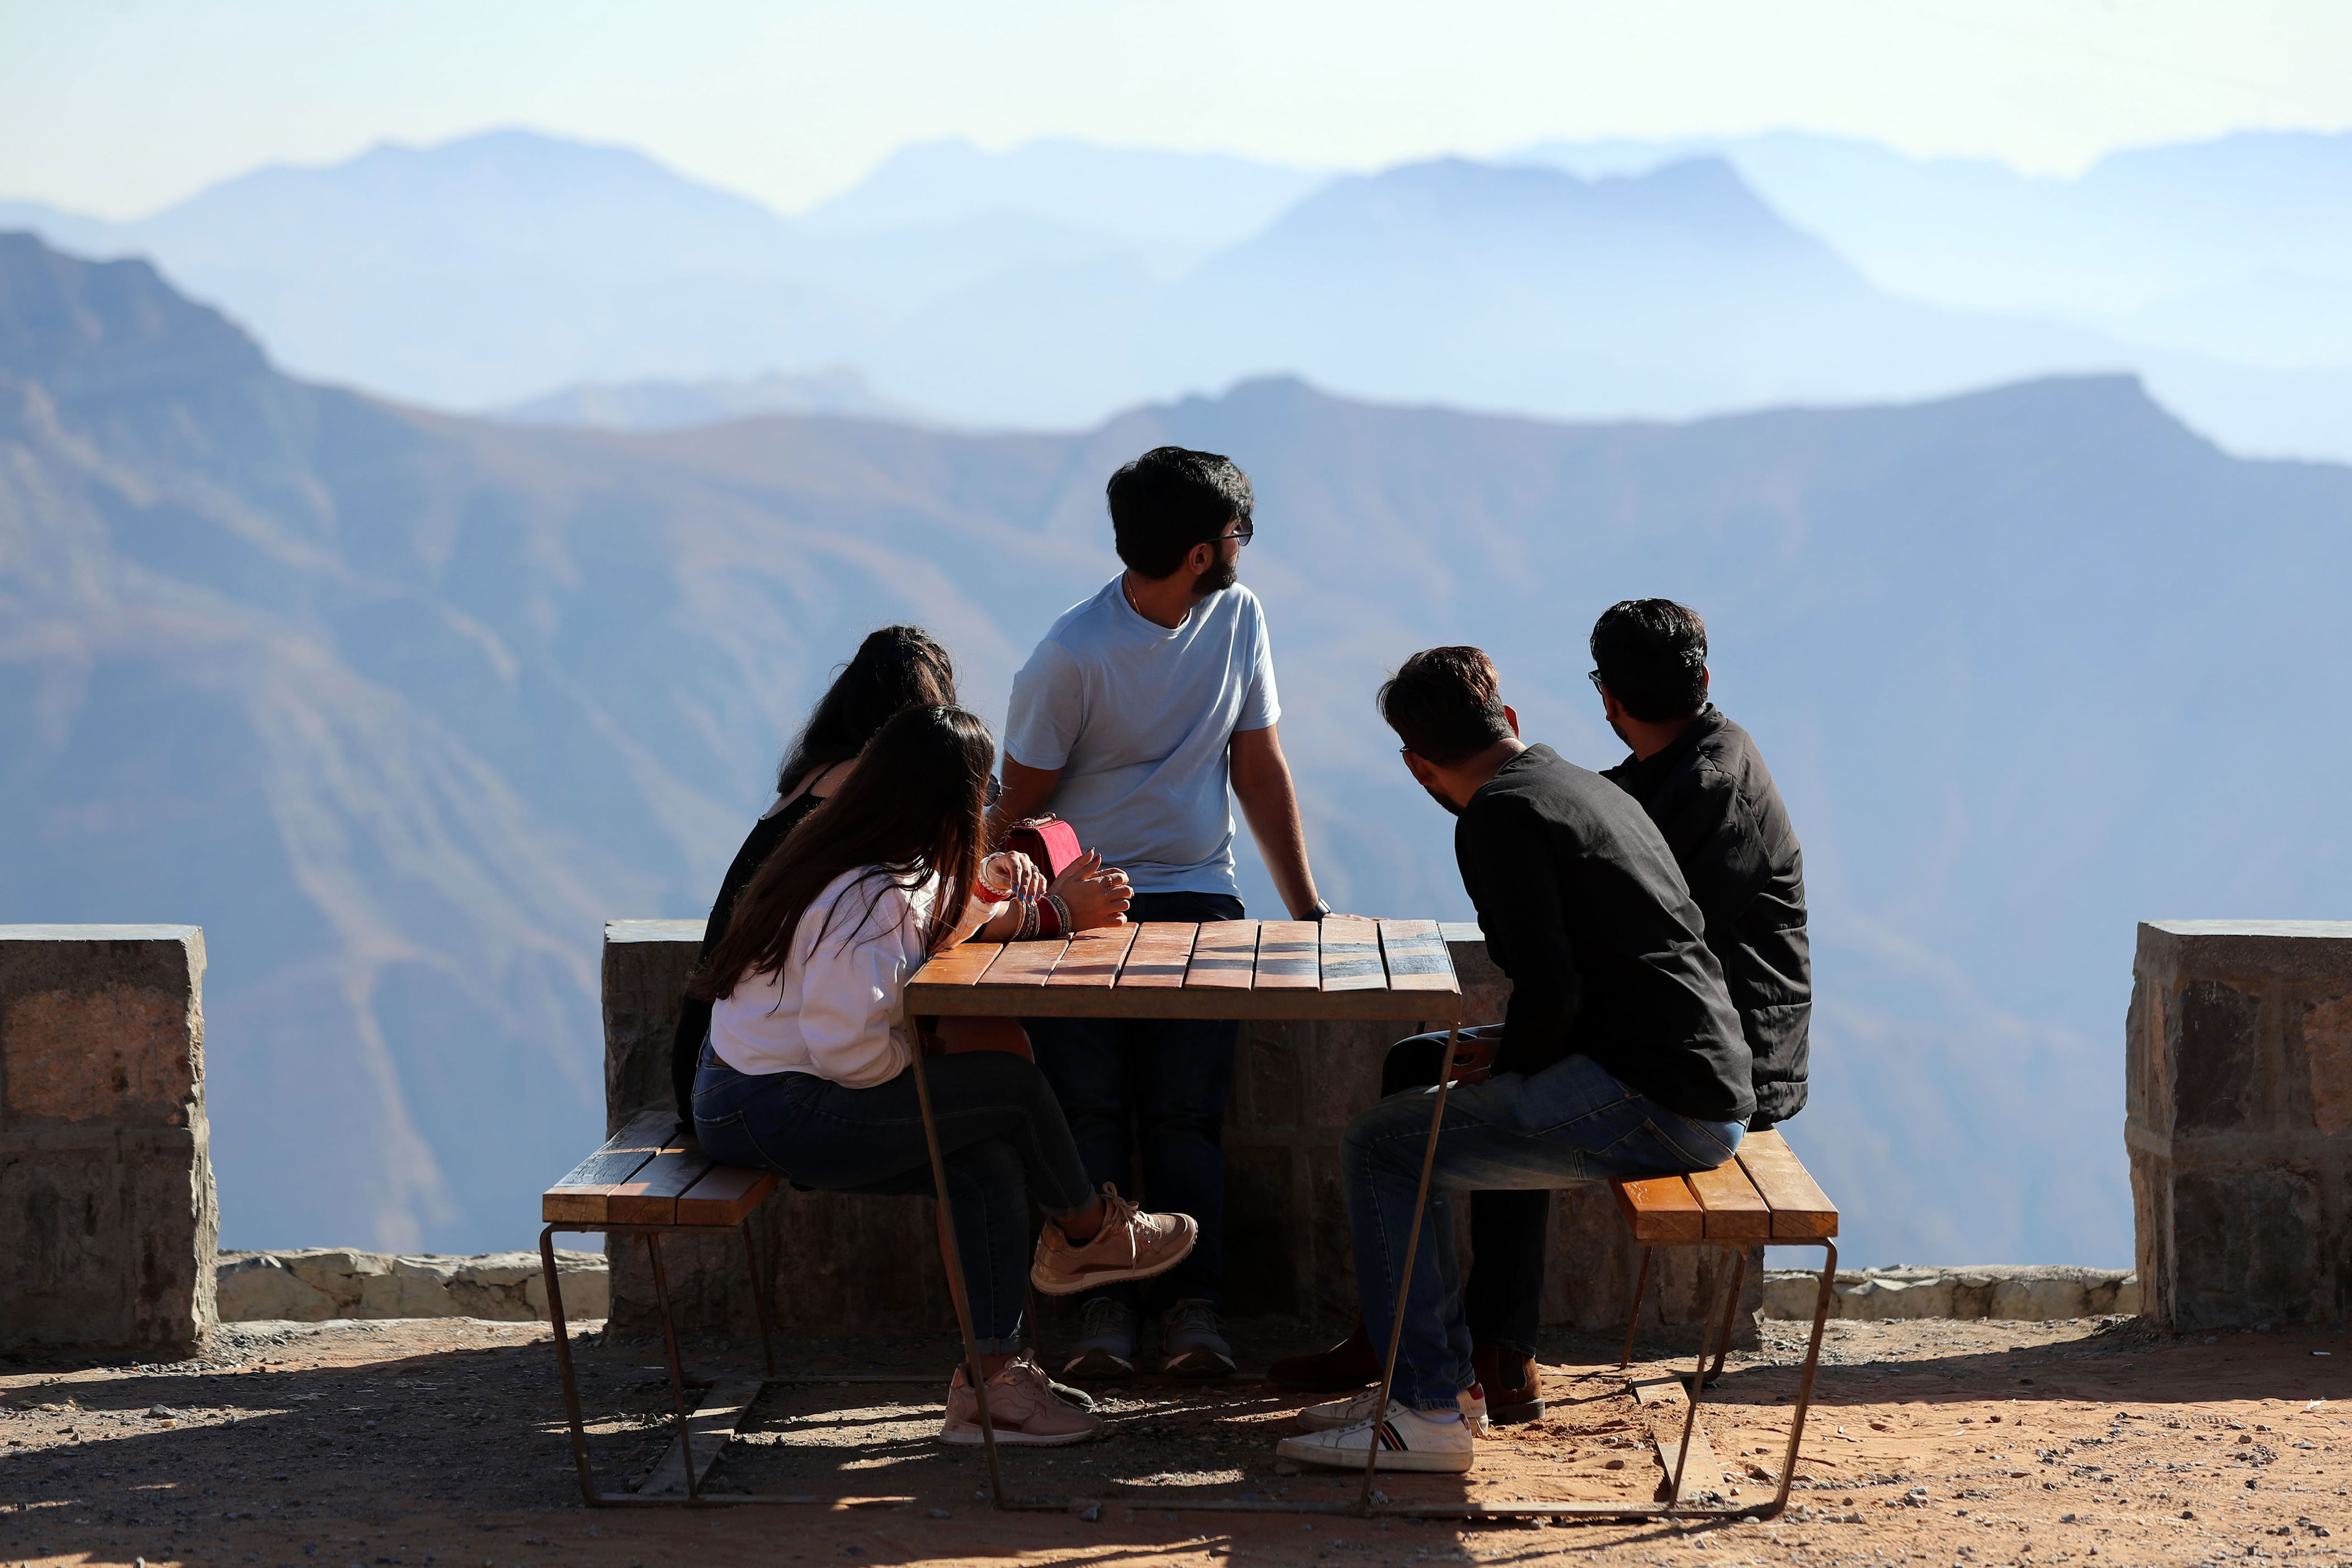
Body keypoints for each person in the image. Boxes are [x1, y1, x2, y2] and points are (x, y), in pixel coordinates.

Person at [1271, 604, 1810, 1424]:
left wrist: (1518, 1051)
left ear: (1420, 769)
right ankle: (1423, 1349)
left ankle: (1439, 1393)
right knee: (1434, 1068)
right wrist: (1512, 1047)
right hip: (1688, 1065)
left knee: (1384, 1146)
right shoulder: (1579, 781)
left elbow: (1555, 992)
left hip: (1678, 1088)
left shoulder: (1514, 813)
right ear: (1511, 720)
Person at [689, 703, 1197, 1446]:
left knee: (981, 1158)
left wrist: (1020, 899)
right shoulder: (868, 894)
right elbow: (847, 1051)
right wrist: (922, 1060)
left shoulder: (859, 857)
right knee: (1009, 1088)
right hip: (772, 1105)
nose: (989, 807)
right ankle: (1086, 1234)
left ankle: (994, 1387)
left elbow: (941, 912)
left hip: (750, 1090)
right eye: (981, 792)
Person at [991, 446, 1338, 1381]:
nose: (1243, 550)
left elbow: (1257, 766)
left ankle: (1193, 1311)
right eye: (1237, 534)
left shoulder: (1239, 616)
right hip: (1086, 906)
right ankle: (1102, 1310)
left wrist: (1307, 909)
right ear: (1197, 551)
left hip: (1200, 895)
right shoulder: (1070, 656)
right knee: (1090, 1109)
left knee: (1187, 1114)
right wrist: (1037, 919)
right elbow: (1016, 809)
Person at [670, 626, 1131, 1128]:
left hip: (718, 1060)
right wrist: (1058, 912)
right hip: (757, 1081)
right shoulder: (862, 807)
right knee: (996, 1052)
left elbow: (923, 904)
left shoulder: (818, 787)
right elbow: (917, 912)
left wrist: (995, 887)